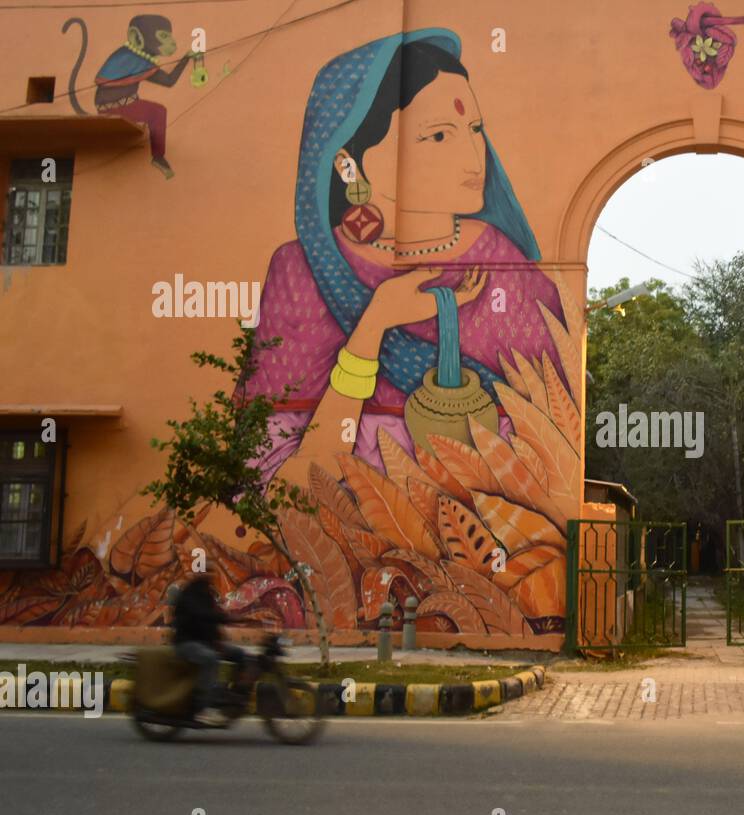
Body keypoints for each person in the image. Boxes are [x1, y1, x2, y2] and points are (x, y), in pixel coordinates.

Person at [240, 29, 572, 490]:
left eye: (475, 130)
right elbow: (277, 481)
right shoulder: (302, 270)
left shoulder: (500, 262)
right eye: (437, 135)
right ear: (349, 165)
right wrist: (375, 322)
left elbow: (554, 442)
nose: (473, 155)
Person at [171, 573, 246, 727]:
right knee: (210, 659)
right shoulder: (189, 597)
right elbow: (202, 617)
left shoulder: (206, 596)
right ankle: (203, 708)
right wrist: (223, 619)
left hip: (206, 642)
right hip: (187, 643)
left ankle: (229, 695)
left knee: (240, 655)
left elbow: (211, 622)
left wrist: (218, 637)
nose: (211, 583)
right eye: (207, 580)